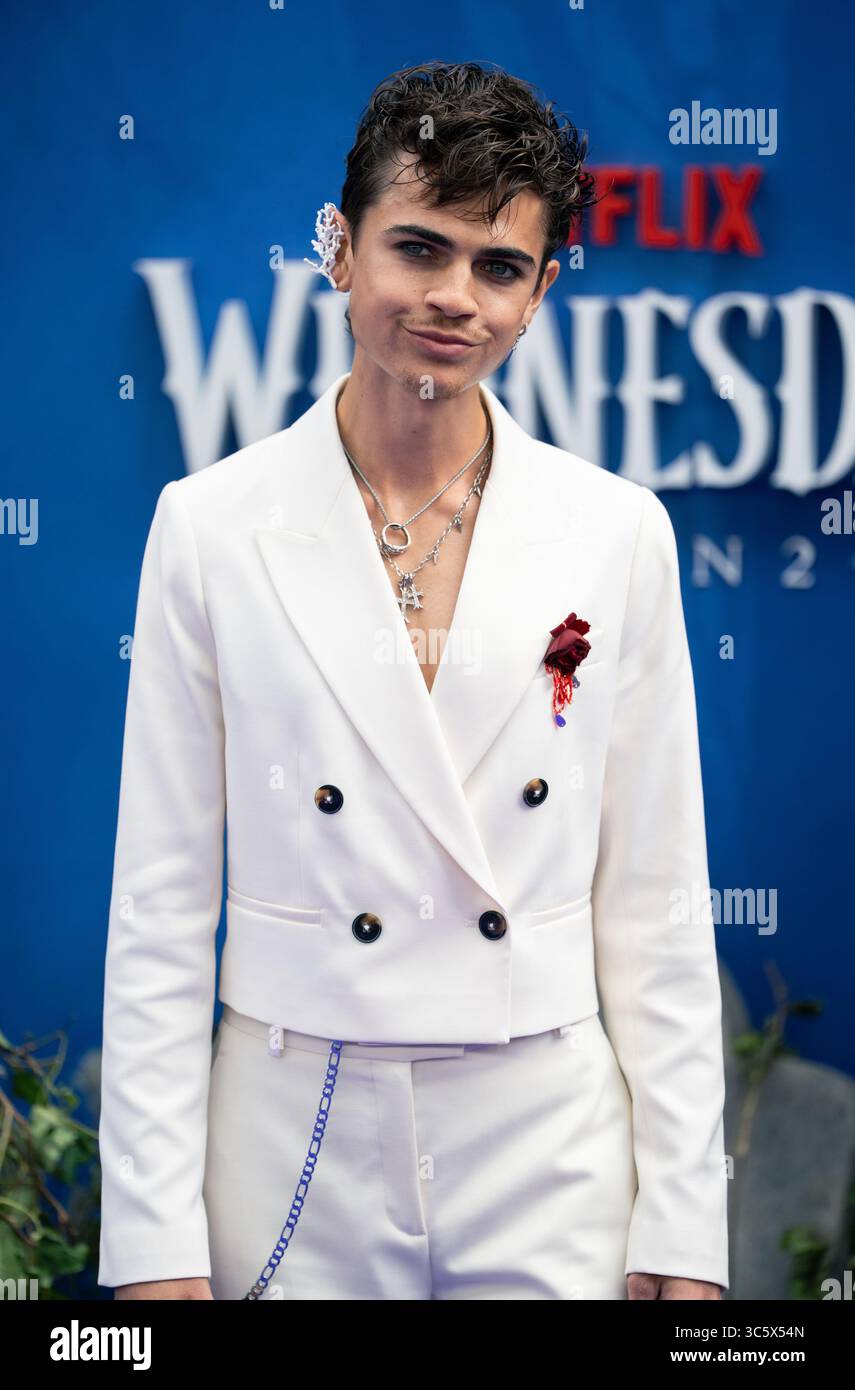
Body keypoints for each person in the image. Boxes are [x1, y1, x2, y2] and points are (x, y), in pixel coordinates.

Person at [99, 60, 729, 1300]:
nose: (454, 298)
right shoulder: (209, 525)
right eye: (418, 248)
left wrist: (686, 1228)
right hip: (290, 1122)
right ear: (341, 252)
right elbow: (160, 911)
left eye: (499, 268)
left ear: (543, 293)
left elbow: (657, 904)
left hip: (548, 1134)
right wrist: (150, 1242)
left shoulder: (617, 532)